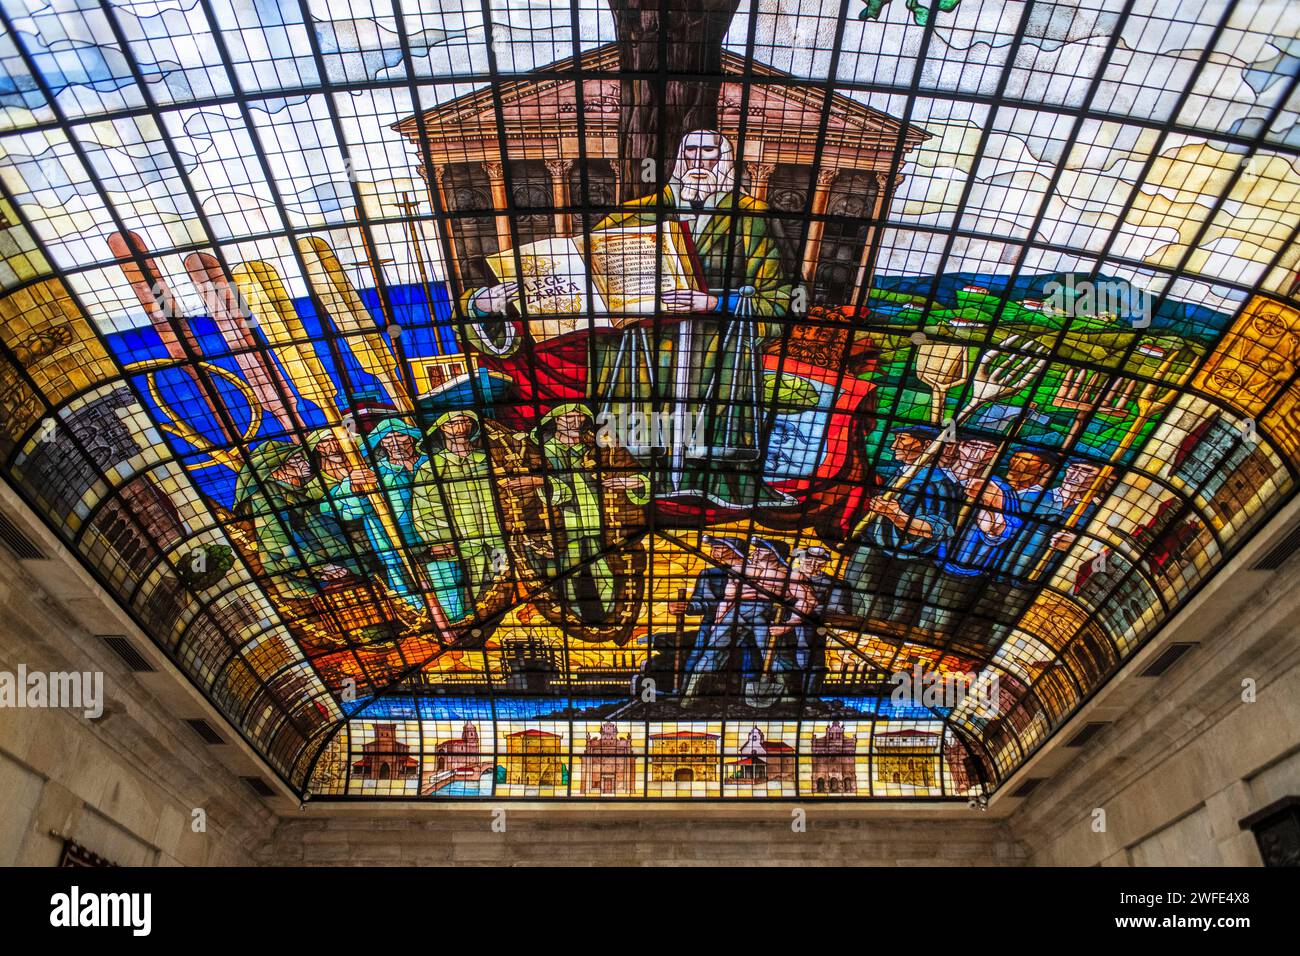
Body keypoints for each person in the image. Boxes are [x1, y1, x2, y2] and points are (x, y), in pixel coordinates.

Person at [531, 404, 649, 622]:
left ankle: (609, 618)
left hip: (601, 525)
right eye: (568, 416)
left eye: (579, 416)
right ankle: (575, 619)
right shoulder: (538, 452)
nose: (575, 421)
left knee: (606, 573)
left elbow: (638, 476)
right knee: (566, 576)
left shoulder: (604, 448)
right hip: (563, 529)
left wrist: (631, 482)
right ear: (555, 419)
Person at [841, 426, 962, 627]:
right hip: (876, 544)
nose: (893, 445)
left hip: (908, 557)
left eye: (902, 439)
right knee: (857, 592)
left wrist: (896, 515)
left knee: (884, 609)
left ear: (925, 446)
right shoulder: (904, 474)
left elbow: (941, 529)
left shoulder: (936, 484)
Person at [916, 437, 1021, 646]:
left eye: (986, 447)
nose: (977, 452)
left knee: (940, 624)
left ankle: (924, 666)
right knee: (920, 616)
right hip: (928, 558)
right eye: (972, 445)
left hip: (963, 568)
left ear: (994, 454)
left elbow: (999, 531)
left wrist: (992, 504)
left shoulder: (999, 488)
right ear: (961, 446)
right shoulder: (938, 476)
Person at [411, 410, 513, 622]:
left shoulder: (489, 460)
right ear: (442, 429)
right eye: (453, 423)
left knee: (502, 583)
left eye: (466, 421)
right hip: (463, 544)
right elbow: (425, 509)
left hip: (497, 538)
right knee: (472, 590)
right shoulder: (430, 468)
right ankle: (473, 627)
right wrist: (439, 540)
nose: (460, 426)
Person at [233, 441, 361, 599]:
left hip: (317, 564)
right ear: (276, 468)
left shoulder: (290, 491)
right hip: (299, 576)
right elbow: (277, 536)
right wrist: (322, 566)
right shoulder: (265, 495)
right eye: (297, 459)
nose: (306, 463)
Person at [323, 418, 427, 607]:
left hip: (440, 541)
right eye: (387, 439)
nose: (394, 443)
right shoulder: (372, 474)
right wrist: (353, 486)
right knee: (413, 599)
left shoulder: (433, 462)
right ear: (381, 444)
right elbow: (339, 510)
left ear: (412, 438)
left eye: (400, 435)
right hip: (394, 546)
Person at [785, 545, 849, 697]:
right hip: (783, 628)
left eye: (818, 561)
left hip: (812, 628)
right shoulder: (785, 579)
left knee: (810, 658)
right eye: (808, 559)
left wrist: (806, 612)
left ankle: (810, 696)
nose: (812, 563)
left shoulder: (834, 584)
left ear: (825, 563)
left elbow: (837, 610)